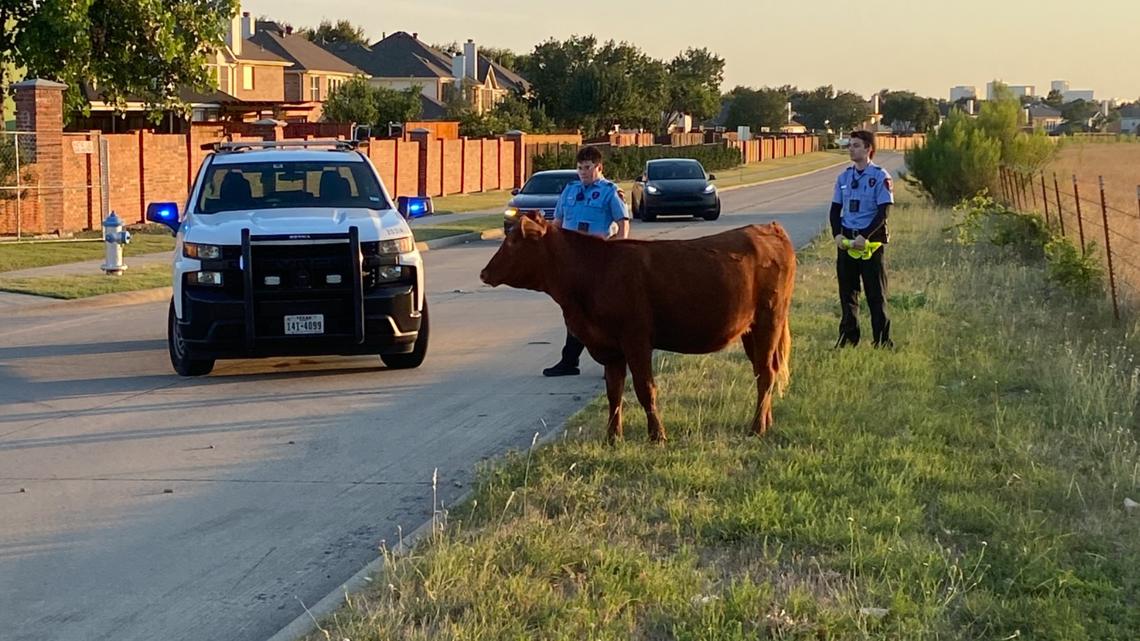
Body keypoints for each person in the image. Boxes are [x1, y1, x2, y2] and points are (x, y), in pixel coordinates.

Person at [541, 145, 631, 376]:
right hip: (572, 261)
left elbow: (623, 222)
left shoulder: (610, 192)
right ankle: (569, 362)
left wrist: (619, 249)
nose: (583, 172)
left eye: (588, 167)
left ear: (599, 167)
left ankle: (614, 361)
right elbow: (557, 223)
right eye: (580, 167)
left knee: (601, 312)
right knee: (573, 311)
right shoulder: (570, 191)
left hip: (598, 260)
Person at [830, 130, 895, 348]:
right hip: (847, 242)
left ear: (869, 149)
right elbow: (835, 209)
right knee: (848, 294)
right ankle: (848, 338)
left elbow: (883, 211)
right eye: (850, 145)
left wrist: (864, 236)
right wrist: (837, 234)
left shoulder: (879, 176)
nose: (851, 149)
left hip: (870, 244)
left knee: (876, 294)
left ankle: (882, 341)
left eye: (856, 145)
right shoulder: (844, 177)